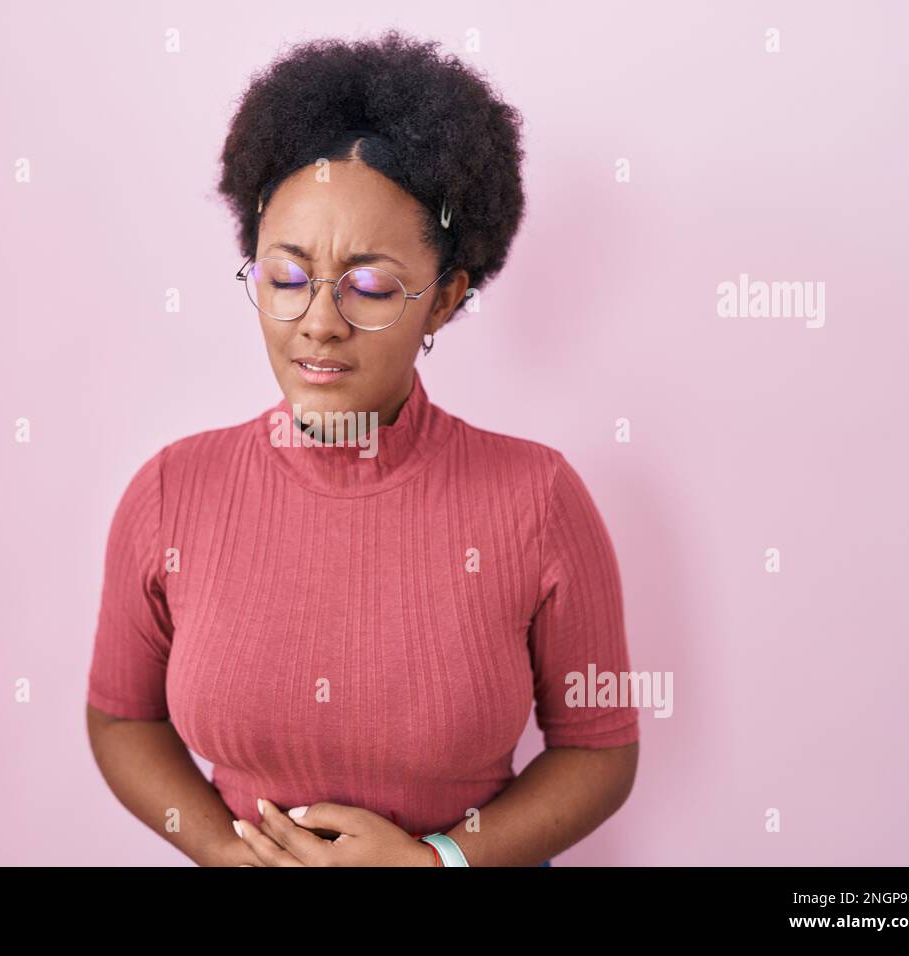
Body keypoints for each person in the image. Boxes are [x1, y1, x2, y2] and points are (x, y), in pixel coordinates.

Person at [85, 30, 639, 867]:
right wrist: (220, 850)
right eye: (286, 276)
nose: (319, 320)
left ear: (445, 299)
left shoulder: (538, 499)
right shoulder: (171, 492)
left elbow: (599, 749)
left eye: (370, 286)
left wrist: (438, 862)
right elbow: (122, 717)